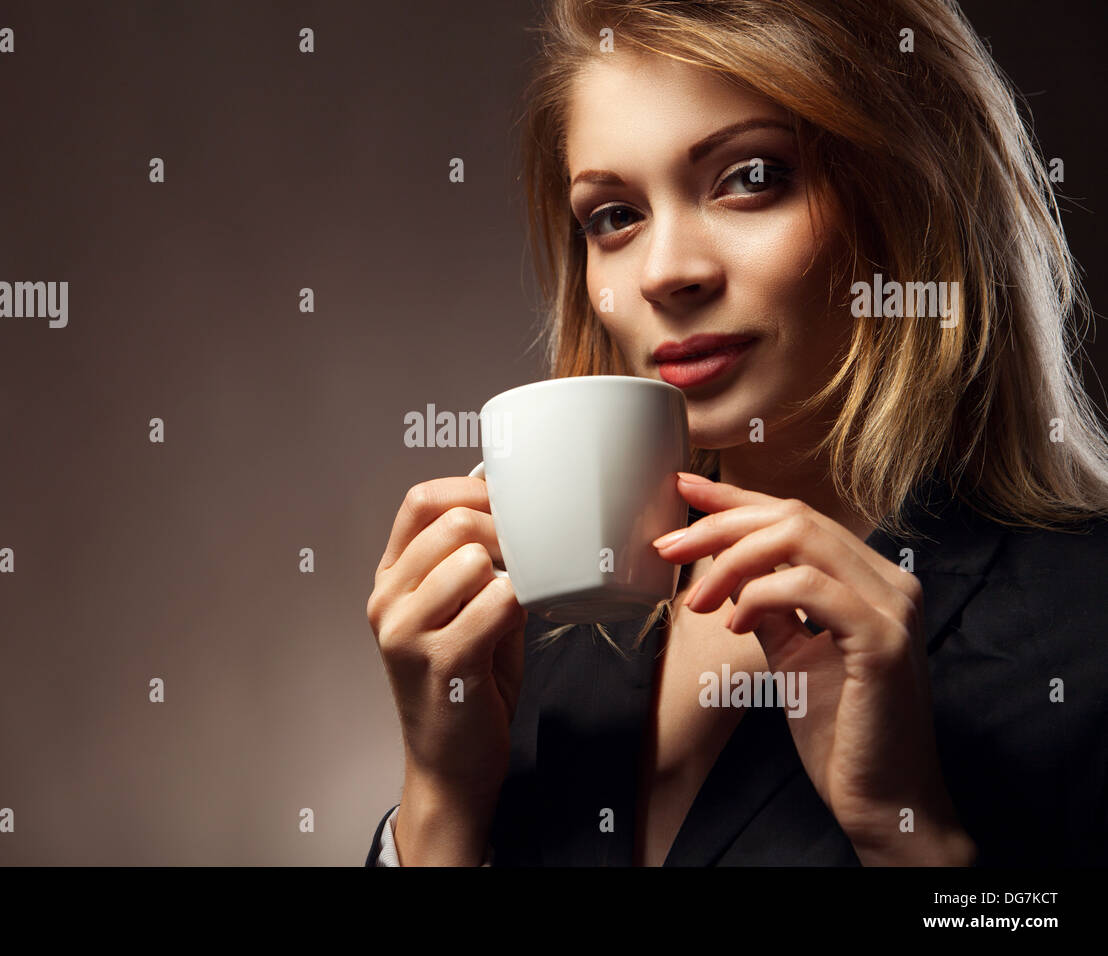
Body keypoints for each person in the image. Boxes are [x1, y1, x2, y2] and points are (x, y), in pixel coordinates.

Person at [363, 0, 1108, 866]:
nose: (668, 273)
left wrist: (911, 834)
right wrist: (438, 804)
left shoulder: (1084, 626)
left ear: (908, 199)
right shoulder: (528, 632)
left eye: (750, 177)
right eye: (614, 216)